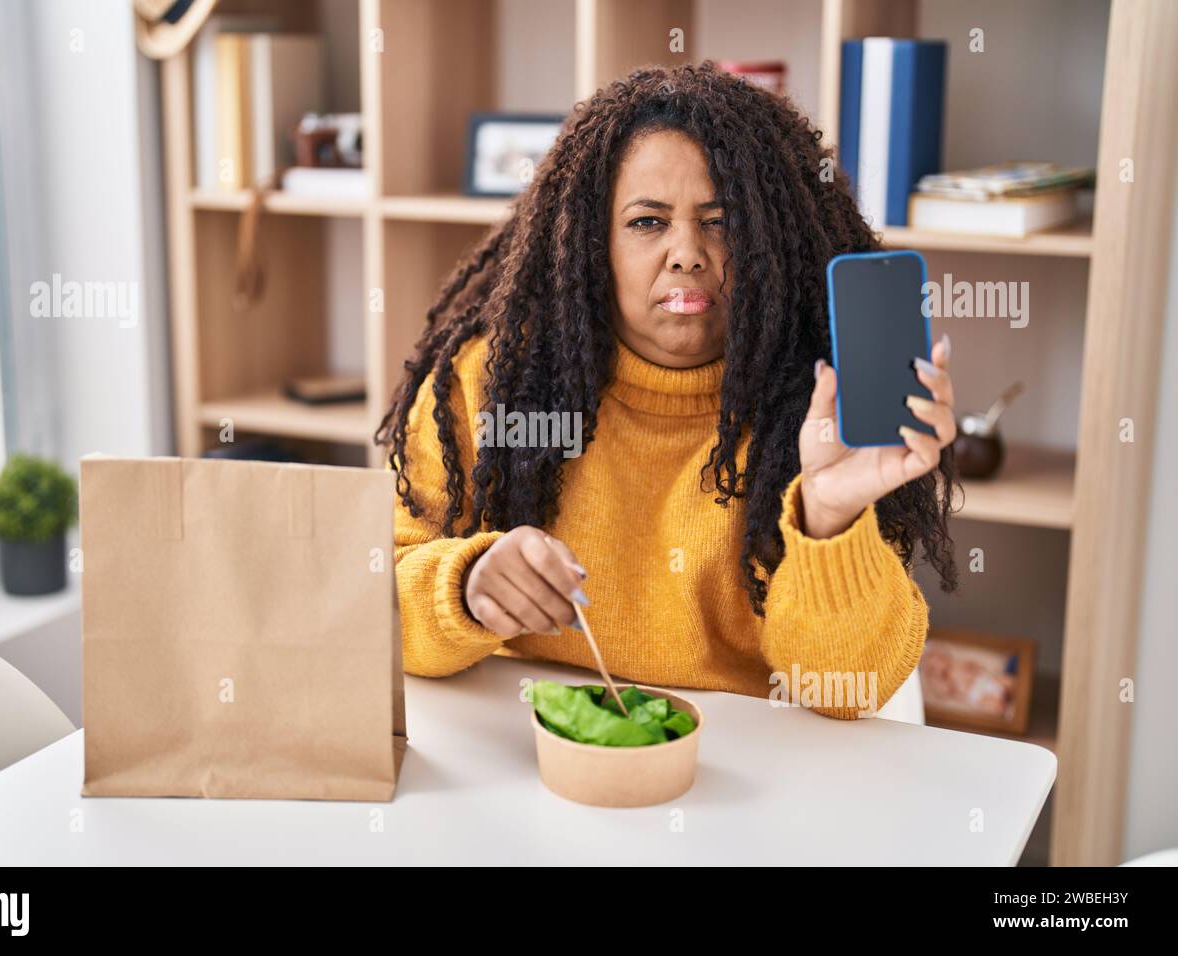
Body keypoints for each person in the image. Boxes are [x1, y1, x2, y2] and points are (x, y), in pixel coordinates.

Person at [377, 62, 960, 719]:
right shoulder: (486, 386)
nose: (687, 253)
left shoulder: (827, 411)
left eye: (721, 222)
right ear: (591, 243)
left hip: (745, 787)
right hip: (530, 761)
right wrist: (465, 587)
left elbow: (846, 690)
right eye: (647, 222)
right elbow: (379, 607)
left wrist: (829, 515)